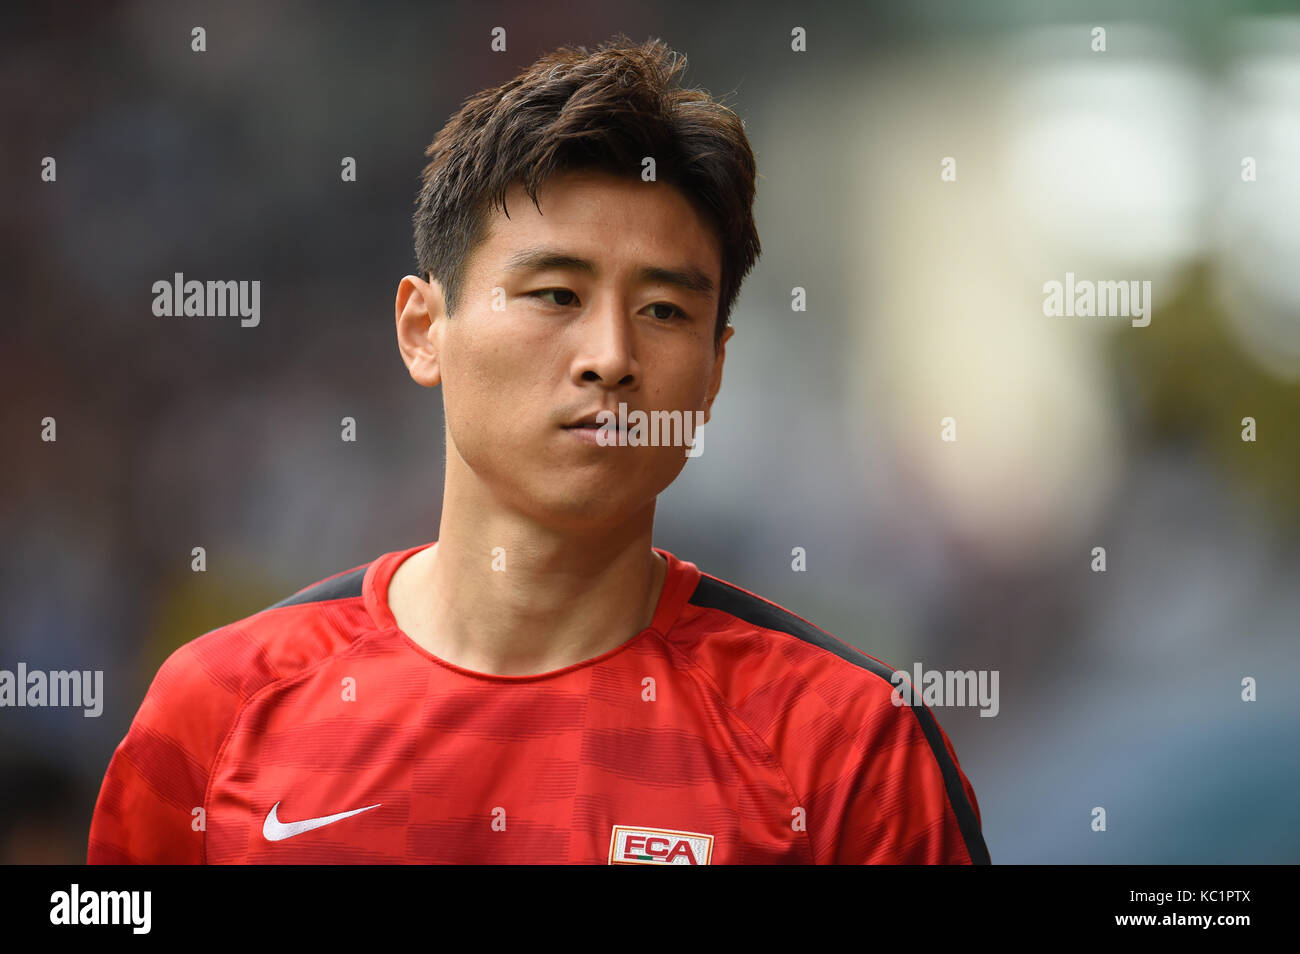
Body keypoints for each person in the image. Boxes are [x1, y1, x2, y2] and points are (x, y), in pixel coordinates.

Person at [88, 34, 988, 865]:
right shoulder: (218, 711)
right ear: (422, 329)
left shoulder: (843, 742)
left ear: (713, 375)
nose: (610, 358)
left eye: (666, 312)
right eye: (556, 294)